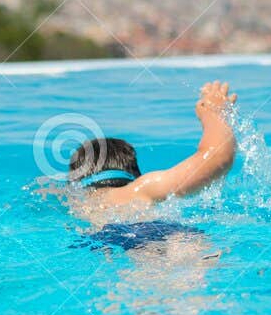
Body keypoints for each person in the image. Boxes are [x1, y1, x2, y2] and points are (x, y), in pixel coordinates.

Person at [65, 80, 238, 226]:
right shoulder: (140, 191)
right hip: (159, 246)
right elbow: (219, 156)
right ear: (133, 174)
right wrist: (213, 113)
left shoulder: (79, 206)